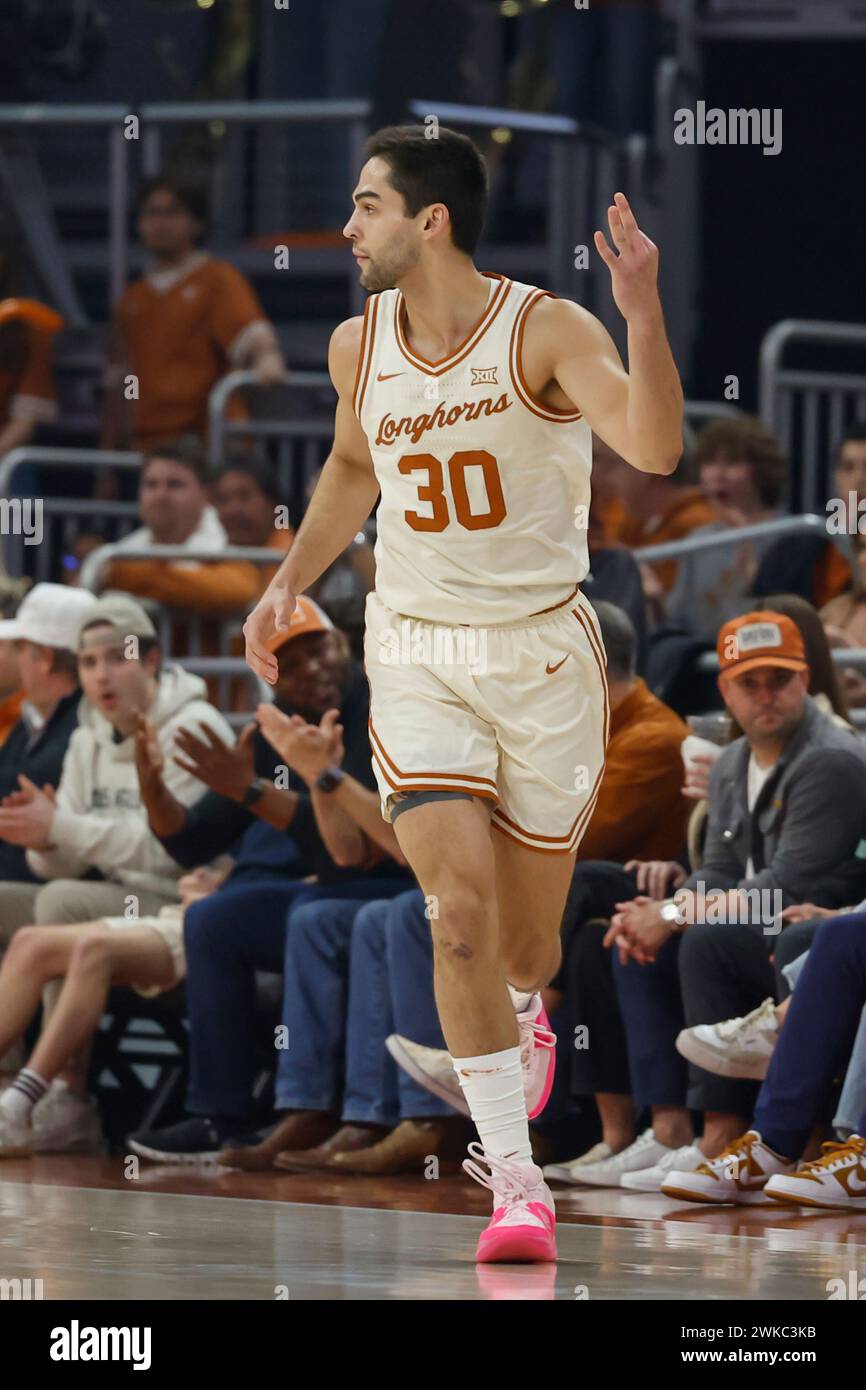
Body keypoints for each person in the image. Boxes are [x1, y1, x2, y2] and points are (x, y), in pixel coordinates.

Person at [243, 123, 684, 1262]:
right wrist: (287, 581)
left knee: (526, 950)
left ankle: (526, 1017)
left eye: (364, 206)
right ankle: (515, 1186)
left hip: (540, 655)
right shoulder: (358, 342)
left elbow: (654, 443)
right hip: (418, 646)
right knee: (456, 919)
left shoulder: (546, 327)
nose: (344, 228)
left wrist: (639, 308)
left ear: (427, 220)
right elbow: (352, 465)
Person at [595, 610, 866, 1192]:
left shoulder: (831, 759)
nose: (766, 695)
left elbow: (786, 885)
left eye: (780, 679)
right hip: (760, 914)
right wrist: (661, 915)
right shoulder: (733, 764)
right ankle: (665, 1129)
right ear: (724, 688)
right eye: (751, 682)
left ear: (805, 680)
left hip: (802, 911)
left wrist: (673, 914)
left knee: (706, 941)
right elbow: (715, 868)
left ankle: (727, 1132)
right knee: (619, 937)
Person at [0, 593, 234, 1154]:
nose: (101, 675)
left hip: (188, 907)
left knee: (56, 906)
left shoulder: (193, 729)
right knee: (42, 893)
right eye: (87, 663)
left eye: (116, 658)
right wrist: (44, 837)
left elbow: (173, 850)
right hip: (113, 896)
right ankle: (14, 1082)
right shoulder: (86, 737)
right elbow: (67, 859)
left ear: (151, 661)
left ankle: (67, 1093)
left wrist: (67, 827)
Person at [101, 175, 286, 451]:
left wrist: (267, 357)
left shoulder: (217, 279)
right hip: (146, 446)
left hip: (204, 444)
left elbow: (252, 336)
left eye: (173, 213)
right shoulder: (130, 299)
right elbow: (117, 382)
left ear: (197, 223)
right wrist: (107, 461)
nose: (160, 223)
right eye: (152, 213)